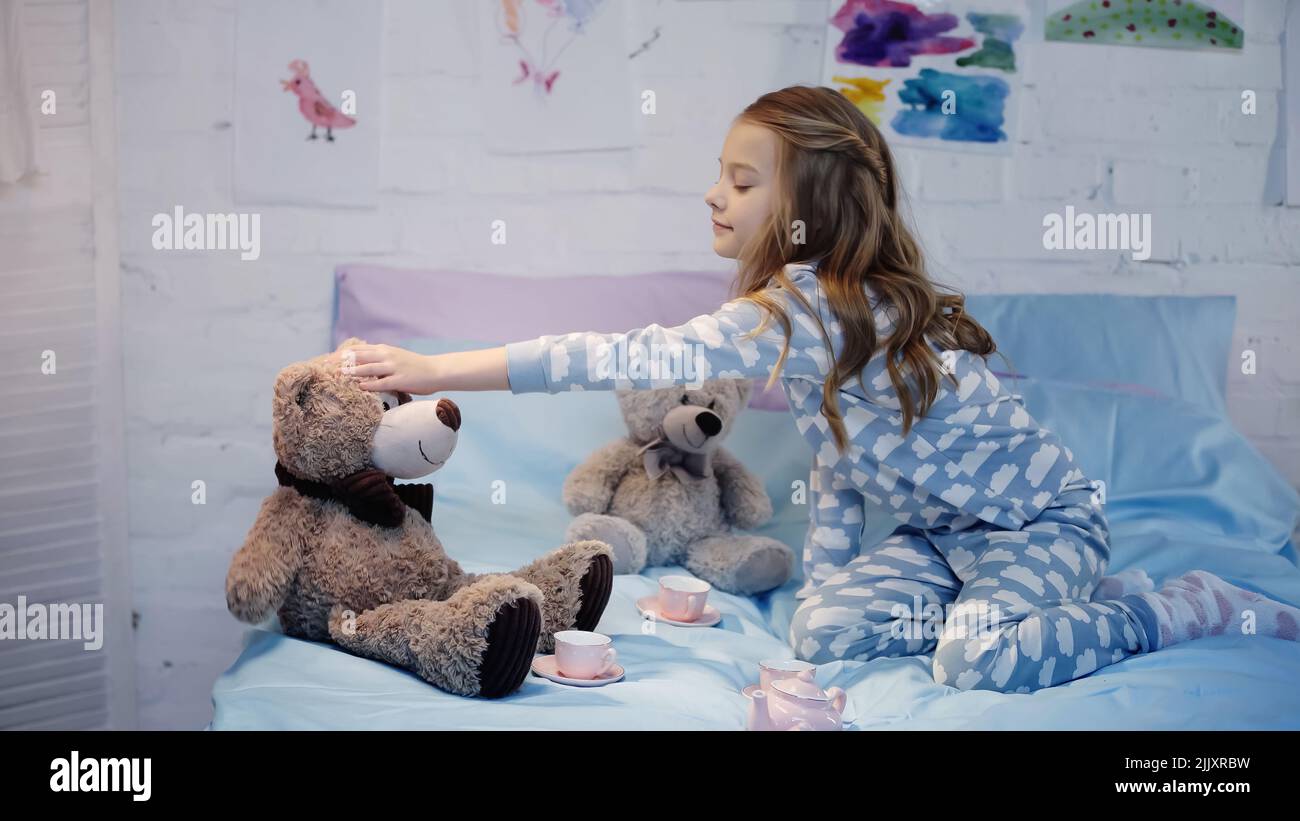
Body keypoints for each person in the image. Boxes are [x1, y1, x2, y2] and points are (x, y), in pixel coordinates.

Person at [330, 85, 1300, 693]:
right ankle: (1024, 608)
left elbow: (619, 353)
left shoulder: (827, 308)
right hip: (934, 542)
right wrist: (825, 592)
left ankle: (1171, 605)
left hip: (1037, 525)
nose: (715, 194)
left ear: (809, 206)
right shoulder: (800, 325)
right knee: (823, 627)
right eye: (719, 174)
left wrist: (436, 368)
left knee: (980, 661)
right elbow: (841, 471)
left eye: (743, 180)